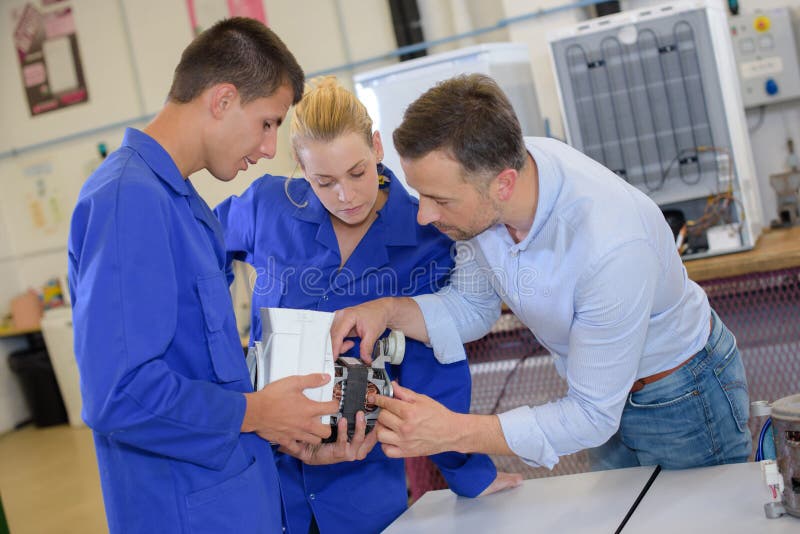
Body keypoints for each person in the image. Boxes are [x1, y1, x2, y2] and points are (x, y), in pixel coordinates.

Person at [330, 73, 752, 473]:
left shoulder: (610, 244)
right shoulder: (487, 179)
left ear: (504, 184)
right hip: (600, 395)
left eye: (438, 199)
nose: (424, 215)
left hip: (681, 395)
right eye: (420, 194)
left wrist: (453, 431)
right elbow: (472, 307)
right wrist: (387, 311)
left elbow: (590, 415)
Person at [214, 76, 521, 534]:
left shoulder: (425, 236)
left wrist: (469, 473)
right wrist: (223, 356)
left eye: (357, 172)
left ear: (377, 147)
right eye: (324, 181)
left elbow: (433, 364)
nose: (346, 195)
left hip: (360, 478)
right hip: (261, 469)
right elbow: (199, 252)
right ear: (300, 167)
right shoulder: (268, 206)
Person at [68, 18, 339, 534]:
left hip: (232, 498)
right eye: (267, 123)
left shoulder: (184, 204)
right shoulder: (129, 198)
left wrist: (278, 413)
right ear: (221, 100)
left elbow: (204, 367)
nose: (267, 148)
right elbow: (119, 393)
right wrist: (256, 413)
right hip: (182, 510)